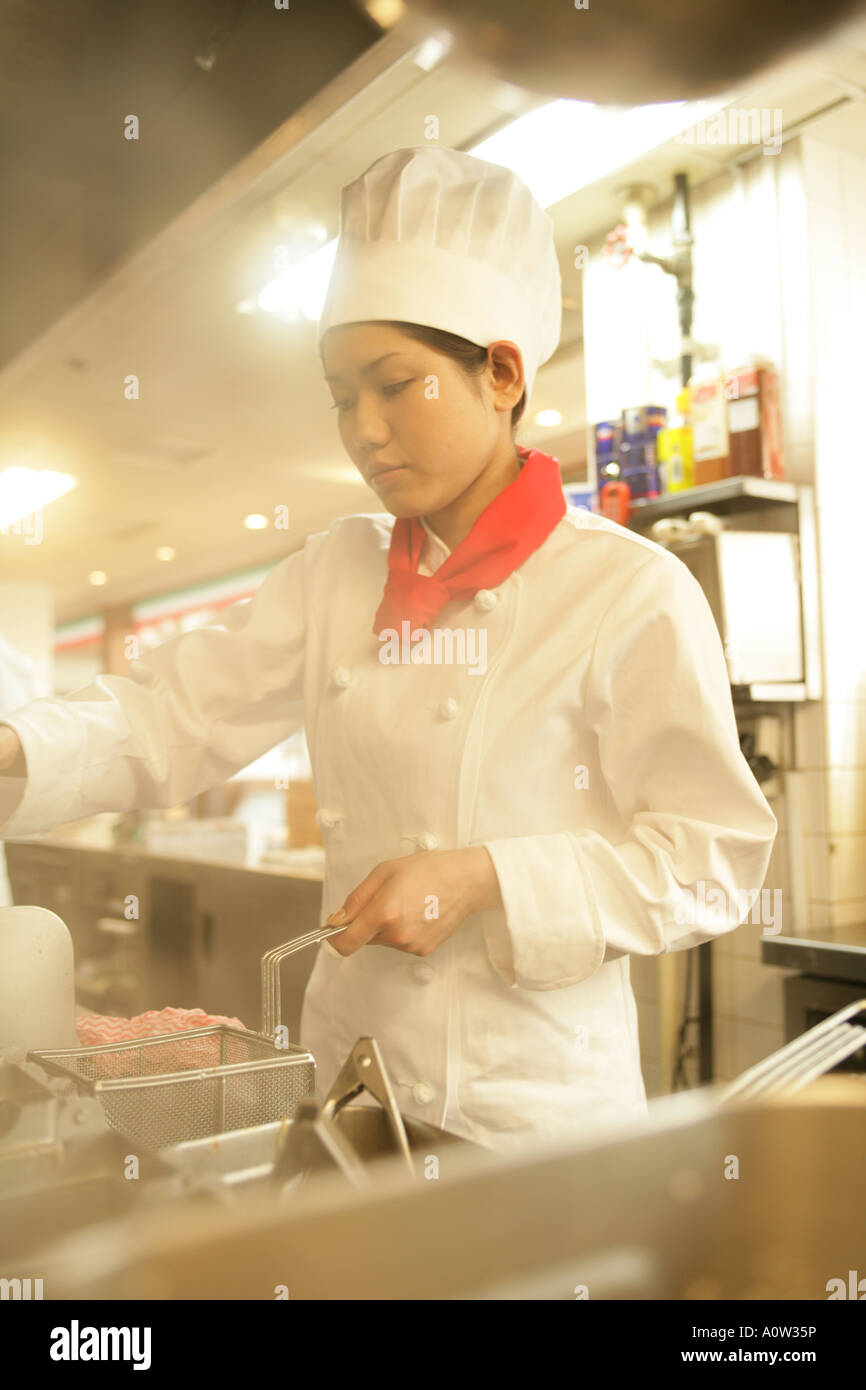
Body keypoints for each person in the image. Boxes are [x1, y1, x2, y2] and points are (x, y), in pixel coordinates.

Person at [0, 147, 777, 1151]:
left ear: (500, 372)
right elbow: (171, 713)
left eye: (394, 384)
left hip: (530, 1123)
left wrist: (489, 875)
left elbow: (708, 860)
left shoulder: (627, 590)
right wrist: (12, 746)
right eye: (338, 394)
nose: (360, 429)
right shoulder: (337, 572)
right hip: (348, 1099)